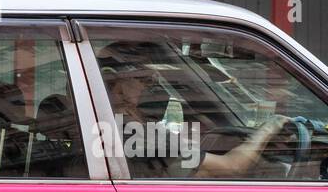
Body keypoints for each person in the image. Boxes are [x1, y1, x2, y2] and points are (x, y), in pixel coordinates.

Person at [98, 42, 287, 179]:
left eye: (155, 80)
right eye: (145, 80)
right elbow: (232, 167)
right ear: (116, 85)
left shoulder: (106, 126)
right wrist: (270, 127)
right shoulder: (137, 134)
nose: (152, 87)